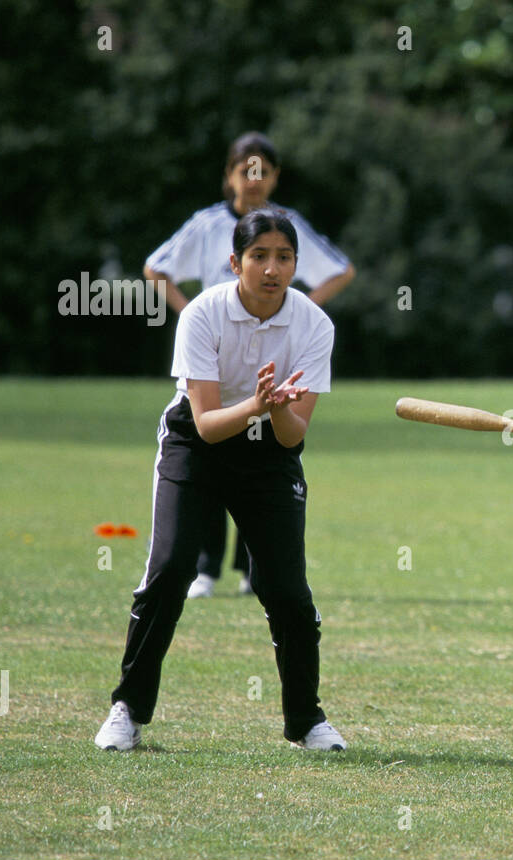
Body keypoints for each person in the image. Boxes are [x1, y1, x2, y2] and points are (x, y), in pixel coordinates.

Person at [95, 208, 346, 752]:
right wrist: (258, 402)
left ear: (297, 266)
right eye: (259, 256)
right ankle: (127, 709)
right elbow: (207, 426)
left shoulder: (313, 325)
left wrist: (275, 409)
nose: (271, 269)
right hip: (196, 446)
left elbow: (291, 437)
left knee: (286, 590)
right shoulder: (203, 314)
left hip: (268, 457)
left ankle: (306, 721)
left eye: (284, 258)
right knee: (170, 570)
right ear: (235, 263)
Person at [144, 131, 354, 599]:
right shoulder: (205, 226)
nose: (254, 180)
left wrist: (294, 309)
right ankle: (205, 568)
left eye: (263, 171)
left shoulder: (287, 226)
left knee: (261, 466)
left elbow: (341, 270)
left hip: (269, 366)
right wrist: (192, 314)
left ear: (275, 177)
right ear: (229, 176)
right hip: (216, 360)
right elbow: (155, 269)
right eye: (246, 169)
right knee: (208, 449)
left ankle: (250, 570)